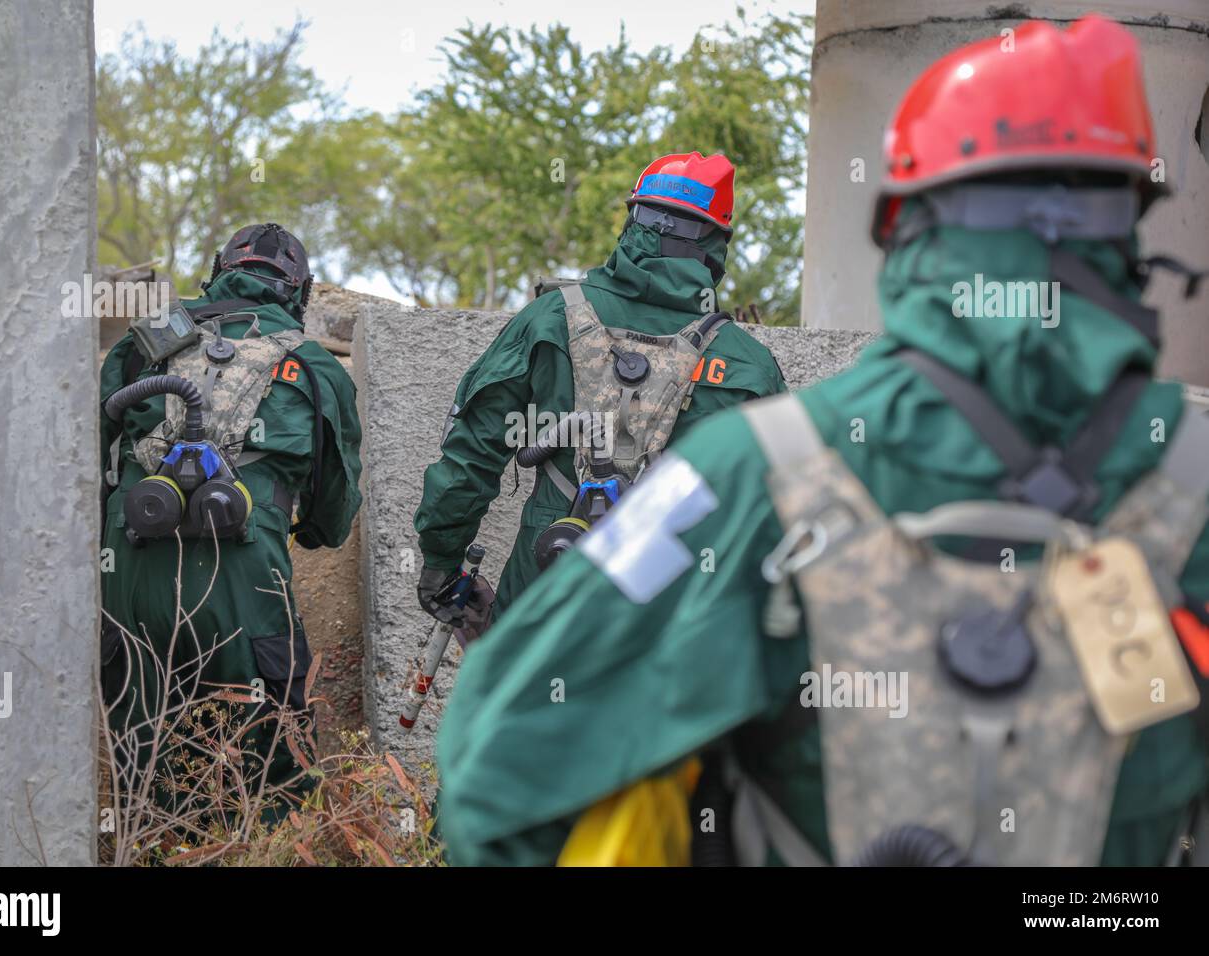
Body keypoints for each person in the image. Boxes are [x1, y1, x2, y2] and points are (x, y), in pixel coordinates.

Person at [435, 16, 1209, 866]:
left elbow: (500, 774)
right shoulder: (1194, 481)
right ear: (1133, 223)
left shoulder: (765, 468)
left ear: (904, 228)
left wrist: (440, 566)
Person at [414, 152, 786, 627]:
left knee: (523, 697)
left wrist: (441, 560)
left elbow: (471, 455)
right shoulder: (747, 362)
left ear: (634, 220)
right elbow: (779, 507)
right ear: (717, 241)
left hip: (549, 570)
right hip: (676, 600)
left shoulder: (551, 318)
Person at [99, 223, 362, 818]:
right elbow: (333, 514)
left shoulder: (142, 343)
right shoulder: (316, 366)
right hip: (246, 575)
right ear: (300, 291)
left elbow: (89, 462)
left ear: (218, 271)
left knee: (144, 742)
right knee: (266, 755)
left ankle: (151, 849)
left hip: (130, 561)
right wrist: (306, 527)